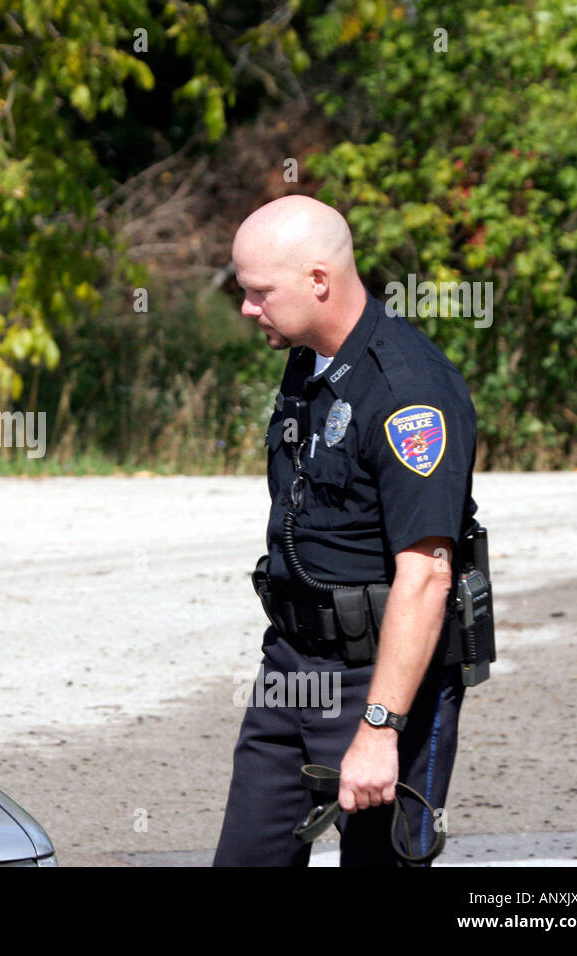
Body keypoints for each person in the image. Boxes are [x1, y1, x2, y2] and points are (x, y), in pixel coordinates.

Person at [213, 195, 480, 866]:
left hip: (381, 681)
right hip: (293, 666)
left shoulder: (411, 393)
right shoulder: (311, 360)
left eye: (258, 292)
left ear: (319, 282)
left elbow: (426, 577)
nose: (246, 308)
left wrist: (380, 729)